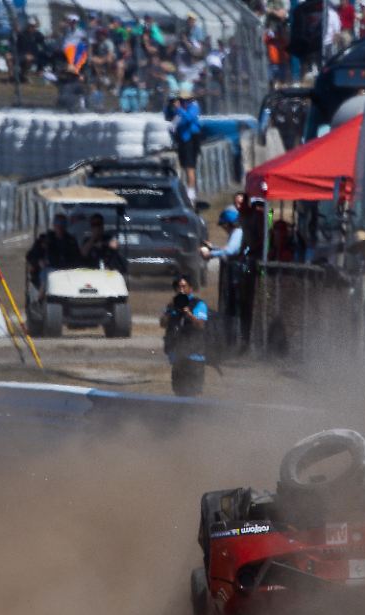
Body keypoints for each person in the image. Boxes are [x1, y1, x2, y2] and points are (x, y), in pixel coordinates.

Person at [202, 199, 251, 349]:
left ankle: (235, 342)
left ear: (229, 223)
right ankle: (234, 341)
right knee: (233, 310)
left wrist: (211, 254)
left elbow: (230, 251)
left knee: (235, 311)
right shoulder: (236, 232)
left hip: (240, 275)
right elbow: (229, 249)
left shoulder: (238, 232)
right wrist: (214, 248)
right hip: (238, 275)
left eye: (224, 225)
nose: (223, 228)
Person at [160, 274, 210, 396]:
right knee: (178, 390)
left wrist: (188, 312)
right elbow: (163, 324)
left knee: (194, 390)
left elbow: (200, 325)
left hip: (194, 356)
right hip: (178, 355)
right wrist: (170, 309)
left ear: (190, 288)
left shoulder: (199, 304)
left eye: (184, 286)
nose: (181, 290)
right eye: (178, 287)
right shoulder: (172, 306)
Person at [26, 214, 83, 287]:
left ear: (66, 225)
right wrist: (38, 261)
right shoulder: (45, 239)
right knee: (45, 275)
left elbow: (78, 259)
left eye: (63, 223)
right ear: (54, 224)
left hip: (67, 273)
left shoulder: (71, 241)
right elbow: (30, 256)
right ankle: (42, 294)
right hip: (48, 272)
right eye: (57, 222)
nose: (60, 226)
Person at [168, 84, 202, 200]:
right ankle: (186, 189)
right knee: (183, 165)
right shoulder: (179, 109)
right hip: (182, 138)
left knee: (189, 166)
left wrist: (179, 109)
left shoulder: (193, 107)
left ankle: (191, 191)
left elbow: (188, 119)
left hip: (191, 138)